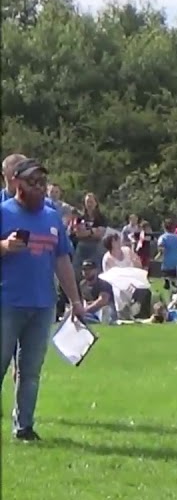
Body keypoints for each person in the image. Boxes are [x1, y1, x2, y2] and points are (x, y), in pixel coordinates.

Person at [0, 158, 85, 442]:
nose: (39, 188)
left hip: (42, 305)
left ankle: (24, 427)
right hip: (7, 303)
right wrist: (4, 246)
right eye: (32, 183)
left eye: (41, 183)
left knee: (31, 371)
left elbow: (62, 260)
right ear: (17, 183)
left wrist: (75, 300)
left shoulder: (51, 218)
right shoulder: (3, 213)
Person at [79, 260, 117, 325]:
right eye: (84, 269)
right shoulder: (82, 285)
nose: (86, 272)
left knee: (105, 310)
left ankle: (105, 320)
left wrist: (86, 309)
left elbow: (102, 301)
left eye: (89, 269)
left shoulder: (103, 284)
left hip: (102, 309)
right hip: (90, 312)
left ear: (96, 270)